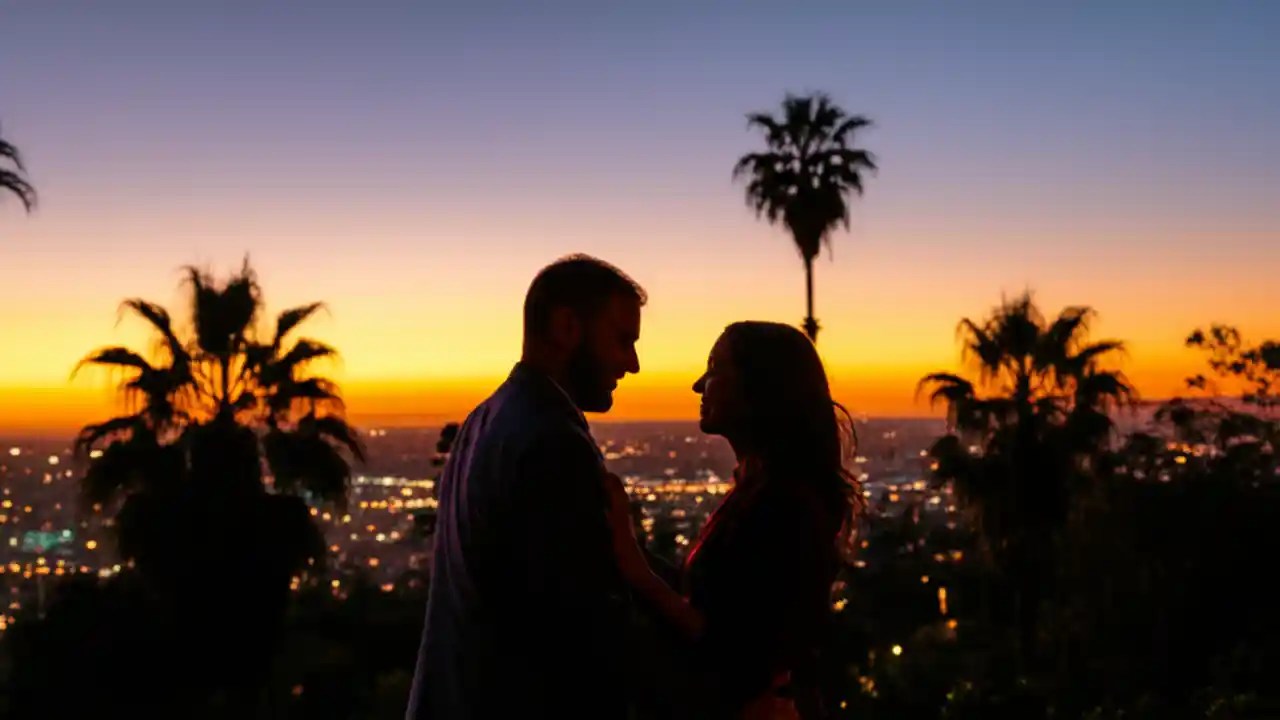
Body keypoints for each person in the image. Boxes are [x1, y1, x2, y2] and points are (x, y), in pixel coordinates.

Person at [407, 255, 645, 719]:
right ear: (566, 327)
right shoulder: (552, 441)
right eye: (622, 341)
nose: (632, 363)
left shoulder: (486, 419)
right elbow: (572, 632)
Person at [603, 321, 860, 719]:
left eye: (714, 370)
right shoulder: (762, 492)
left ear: (759, 387)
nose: (698, 385)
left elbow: (727, 648)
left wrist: (635, 567)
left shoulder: (783, 505)